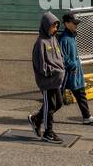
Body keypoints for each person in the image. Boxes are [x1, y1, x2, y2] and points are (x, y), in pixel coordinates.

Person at [28, 11, 67, 143]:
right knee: (50, 106)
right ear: (46, 26)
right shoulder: (40, 43)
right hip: (47, 80)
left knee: (59, 104)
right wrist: (54, 71)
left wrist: (62, 68)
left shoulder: (54, 39)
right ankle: (48, 133)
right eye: (52, 26)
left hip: (56, 80)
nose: (55, 29)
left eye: (56, 26)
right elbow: (41, 66)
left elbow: (59, 56)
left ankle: (36, 119)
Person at [59, 11, 93, 125]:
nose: (76, 25)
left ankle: (87, 116)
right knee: (56, 100)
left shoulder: (71, 37)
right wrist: (72, 65)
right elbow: (62, 57)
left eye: (77, 23)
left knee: (81, 94)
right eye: (74, 23)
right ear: (67, 23)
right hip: (68, 75)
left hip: (75, 74)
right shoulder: (64, 39)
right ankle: (41, 116)